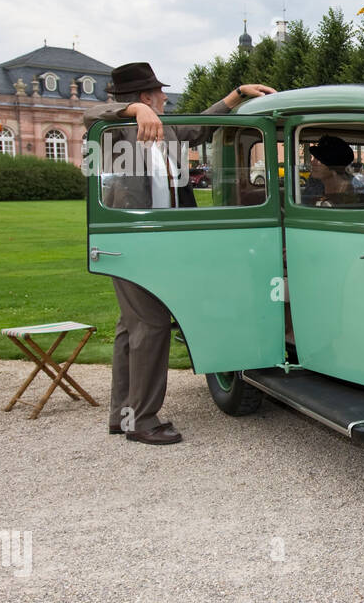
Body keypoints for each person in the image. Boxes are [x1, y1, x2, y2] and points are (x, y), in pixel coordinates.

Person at [84, 62, 275, 444]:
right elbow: (90, 113)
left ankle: (122, 414)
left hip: (165, 241)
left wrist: (236, 95)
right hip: (133, 242)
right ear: (143, 98)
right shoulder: (115, 131)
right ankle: (141, 420)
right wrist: (135, 112)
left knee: (130, 328)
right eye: (158, 94)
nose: (165, 98)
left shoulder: (163, 130)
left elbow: (200, 126)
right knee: (151, 326)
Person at [302, 135, 364, 206]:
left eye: (319, 159)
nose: (312, 163)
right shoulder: (313, 184)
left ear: (335, 166)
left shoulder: (357, 188)